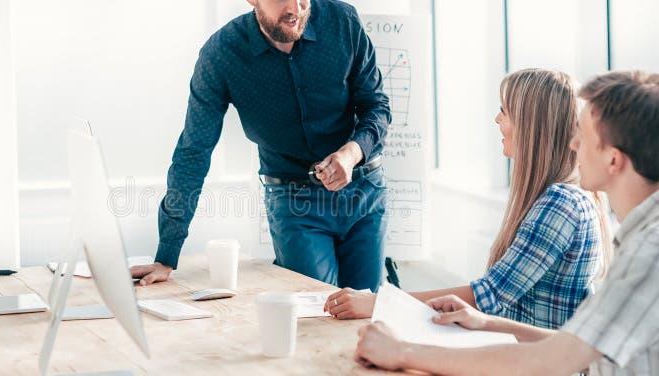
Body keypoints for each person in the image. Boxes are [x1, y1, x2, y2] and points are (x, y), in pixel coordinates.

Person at [354, 71, 659, 376]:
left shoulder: (648, 253)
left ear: (614, 160)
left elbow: (551, 360)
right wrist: (487, 323)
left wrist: (401, 352)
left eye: (584, 137)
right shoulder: (638, 238)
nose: (573, 142)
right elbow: (573, 345)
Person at [131, 0, 392, 291]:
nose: (295, 8)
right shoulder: (222, 54)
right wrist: (166, 254)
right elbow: (194, 151)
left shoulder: (343, 21)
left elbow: (376, 106)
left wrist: (351, 153)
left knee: (368, 308)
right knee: (315, 307)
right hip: (294, 202)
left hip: (364, 191)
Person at [326, 68, 610, 329]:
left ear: (531, 125)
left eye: (505, 111)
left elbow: (488, 295)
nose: (497, 119)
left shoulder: (560, 204)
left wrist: (378, 303)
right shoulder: (565, 197)